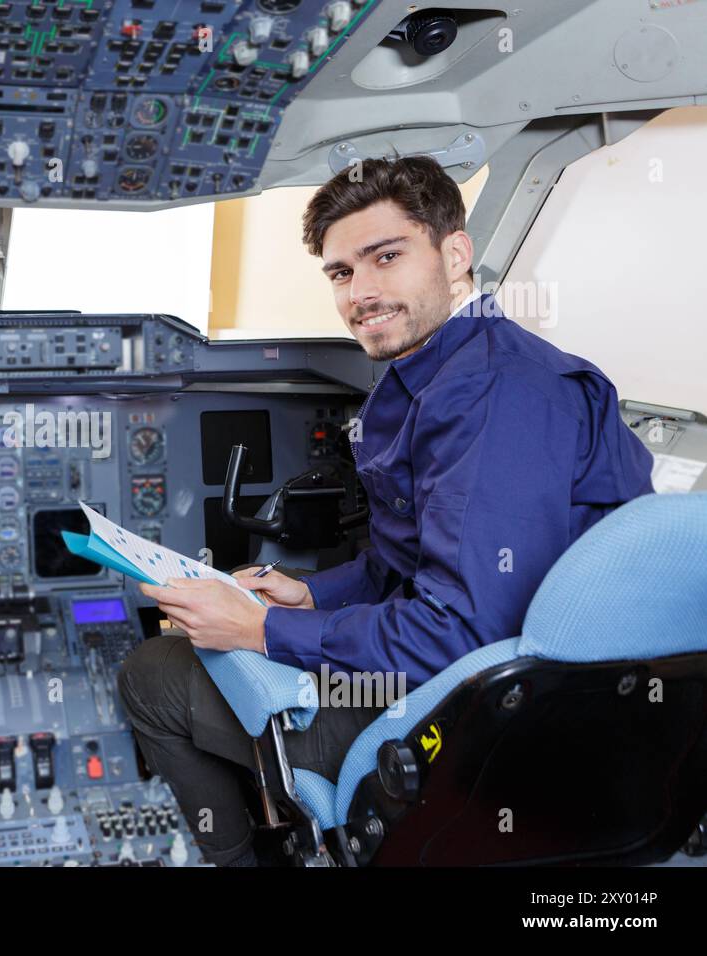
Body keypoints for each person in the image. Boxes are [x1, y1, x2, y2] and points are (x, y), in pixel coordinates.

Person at [117, 155, 655, 866]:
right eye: (341, 273)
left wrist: (269, 630)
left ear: (455, 253)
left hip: (490, 723)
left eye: (386, 257)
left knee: (150, 675)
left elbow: (458, 629)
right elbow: (417, 562)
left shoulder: (496, 397)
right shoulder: (443, 371)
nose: (360, 292)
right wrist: (310, 591)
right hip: (510, 687)